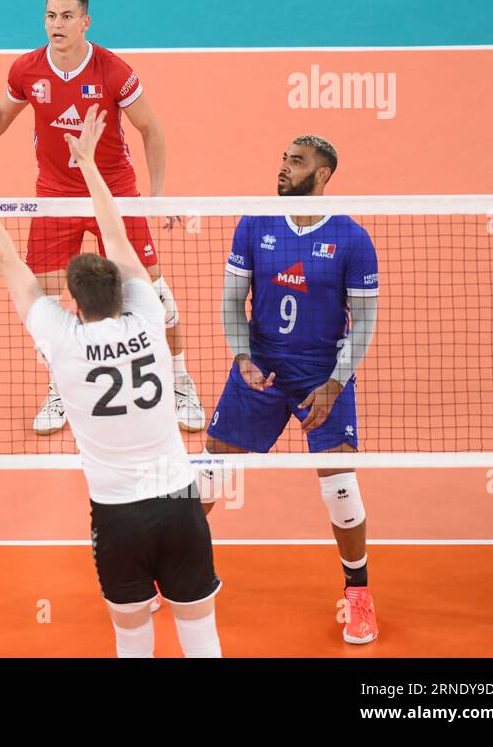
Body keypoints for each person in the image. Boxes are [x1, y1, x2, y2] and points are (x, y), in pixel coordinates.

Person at [0, 108, 222, 657]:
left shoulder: (61, 339)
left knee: (132, 640)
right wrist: (90, 165)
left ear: (73, 301)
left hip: (118, 517)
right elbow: (116, 232)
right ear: (121, 288)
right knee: (201, 636)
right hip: (180, 504)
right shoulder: (145, 315)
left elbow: (6, 260)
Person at [0, 0, 204, 435]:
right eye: (52, 15)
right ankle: (60, 388)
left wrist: (159, 194)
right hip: (54, 193)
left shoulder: (113, 71)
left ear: (85, 21)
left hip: (112, 190)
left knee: (157, 298)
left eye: (68, 16)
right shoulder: (28, 69)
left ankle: (181, 381)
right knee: (49, 300)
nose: (58, 24)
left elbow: (151, 129)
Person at [203, 136, 380, 643]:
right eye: (283, 159)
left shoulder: (351, 238)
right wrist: (242, 358)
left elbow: (364, 323)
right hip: (261, 370)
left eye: (296, 162)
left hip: (324, 375)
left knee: (340, 487)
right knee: (208, 476)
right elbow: (231, 302)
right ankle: (175, 570)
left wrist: (335, 382)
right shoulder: (255, 223)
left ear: (322, 175)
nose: (283, 169)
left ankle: (359, 594)